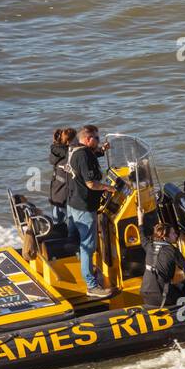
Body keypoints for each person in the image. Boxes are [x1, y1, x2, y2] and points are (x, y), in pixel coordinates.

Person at [66, 124, 117, 298]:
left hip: (72, 204)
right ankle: (91, 285)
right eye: (96, 138)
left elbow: (87, 158)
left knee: (79, 241)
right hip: (84, 207)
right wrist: (109, 189)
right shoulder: (84, 155)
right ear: (88, 139)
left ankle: (85, 266)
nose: (99, 140)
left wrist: (101, 150)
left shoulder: (74, 149)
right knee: (88, 246)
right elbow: (91, 183)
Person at [141, 222, 185, 308]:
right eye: (173, 233)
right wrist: (184, 291)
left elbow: (142, 237)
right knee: (179, 290)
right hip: (162, 296)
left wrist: (140, 220)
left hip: (146, 294)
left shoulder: (149, 245)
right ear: (164, 237)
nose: (176, 235)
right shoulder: (173, 251)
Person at [48, 127, 77, 224]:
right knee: (70, 222)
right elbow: (82, 155)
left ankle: (58, 234)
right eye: (76, 138)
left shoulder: (56, 151)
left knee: (57, 221)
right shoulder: (68, 153)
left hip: (56, 192)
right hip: (64, 194)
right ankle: (69, 238)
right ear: (69, 141)